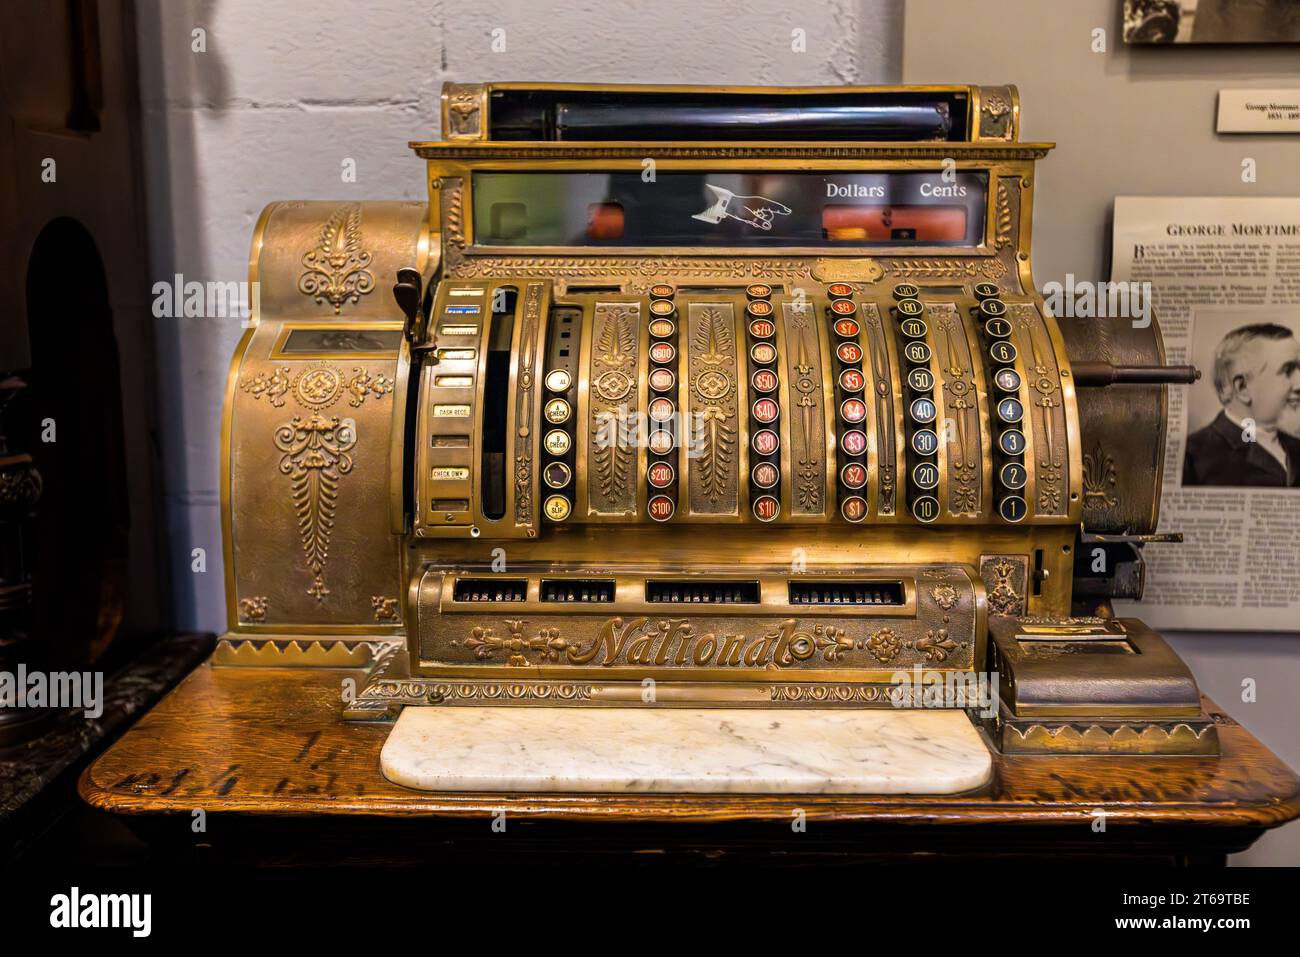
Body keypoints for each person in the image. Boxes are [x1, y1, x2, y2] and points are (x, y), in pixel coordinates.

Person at [1183, 323, 1300, 487]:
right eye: (1287, 371)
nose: (1298, 384)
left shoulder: (1295, 446)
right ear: (1242, 388)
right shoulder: (1191, 457)